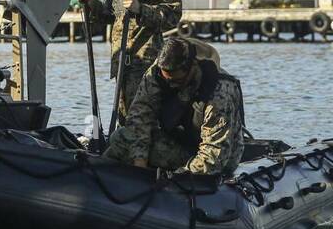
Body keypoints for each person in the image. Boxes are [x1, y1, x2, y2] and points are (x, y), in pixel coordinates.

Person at [105, 36, 245, 178]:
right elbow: (140, 118)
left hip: (220, 156)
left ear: (192, 68)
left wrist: (176, 178)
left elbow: (214, 155)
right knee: (121, 137)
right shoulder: (157, 74)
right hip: (180, 141)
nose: (171, 85)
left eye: (176, 81)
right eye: (167, 80)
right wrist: (140, 162)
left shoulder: (219, 91)